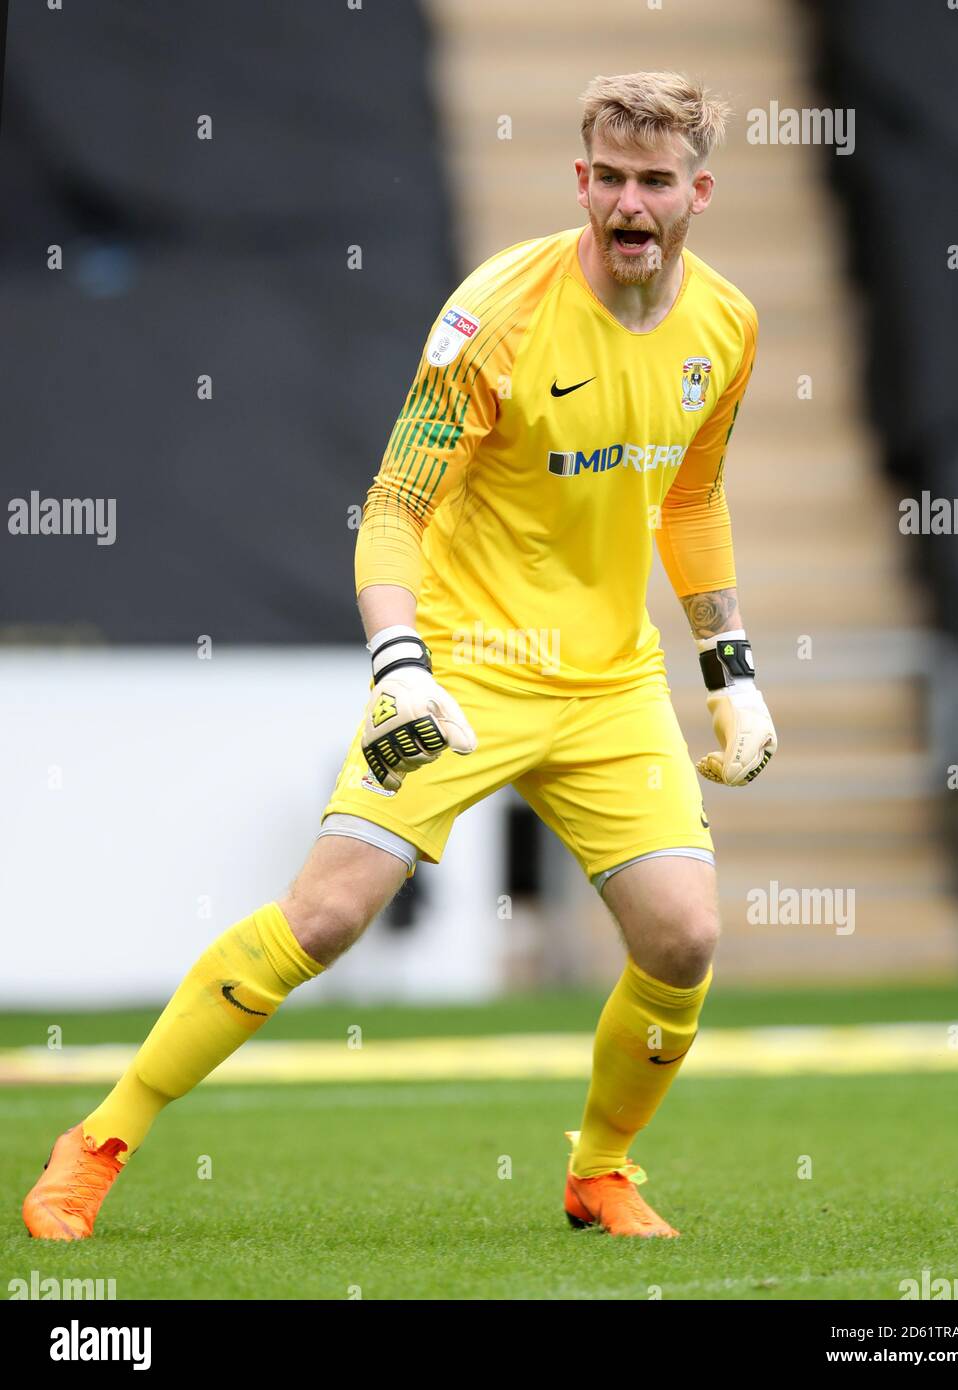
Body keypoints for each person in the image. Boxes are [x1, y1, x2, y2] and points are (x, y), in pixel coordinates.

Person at [23, 70, 777, 1243]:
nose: (632, 204)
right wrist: (400, 661)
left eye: (657, 182)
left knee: (685, 936)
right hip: (464, 663)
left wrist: (728, 668)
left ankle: (602, 1169)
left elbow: (691, 496)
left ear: (698, 191)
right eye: (612, 179)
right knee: (323, 918)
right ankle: (100, 1137)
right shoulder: (498, 315)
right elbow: (394, 503)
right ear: (581, 180)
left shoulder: (726, 324)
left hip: (612, 683)